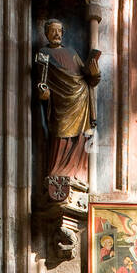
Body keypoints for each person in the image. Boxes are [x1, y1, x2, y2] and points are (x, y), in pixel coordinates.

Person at [36, 18, 101, 181]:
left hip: (80, 99)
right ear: (46, 33)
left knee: (79, 138)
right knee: (60, 136)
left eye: (59, 31)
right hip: (60, 103)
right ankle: (57, 171)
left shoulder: (72, 53)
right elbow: (41, 80)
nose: (57, 34)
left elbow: (88, 80)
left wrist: (95, 73)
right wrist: (43, 92)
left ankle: (77, 173)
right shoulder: (44, 53)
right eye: (53, 30)